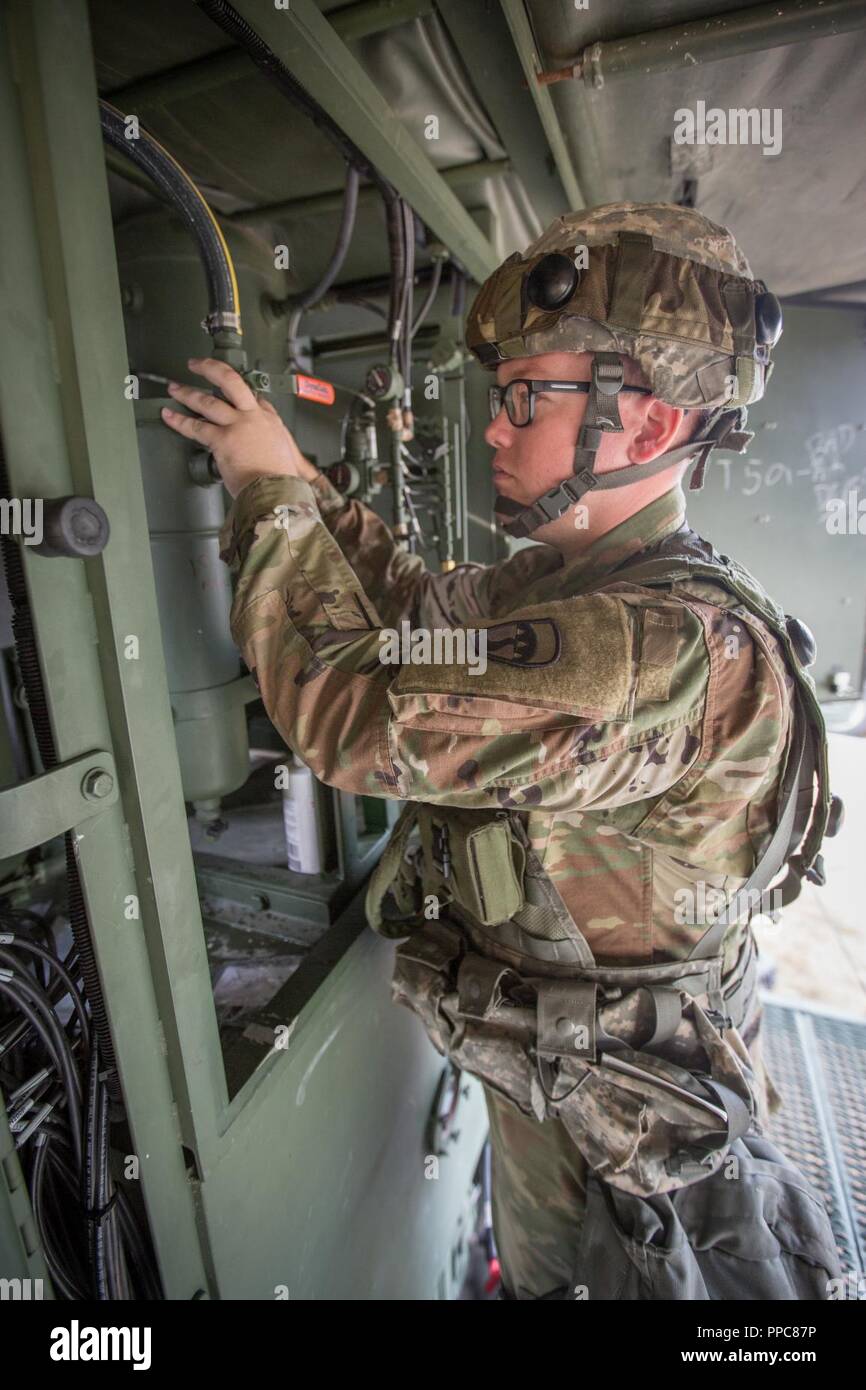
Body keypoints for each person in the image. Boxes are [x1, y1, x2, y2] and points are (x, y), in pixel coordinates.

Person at [161, 203, 836, 1300]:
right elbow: (416, 619)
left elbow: (352, 713)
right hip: (561, 1069)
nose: (492, 427)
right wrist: (300, 479)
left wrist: (268, 498)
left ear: (652, 429)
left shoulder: (655, 651)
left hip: (628, 1141)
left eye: (527, 396)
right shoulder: (580, 582)